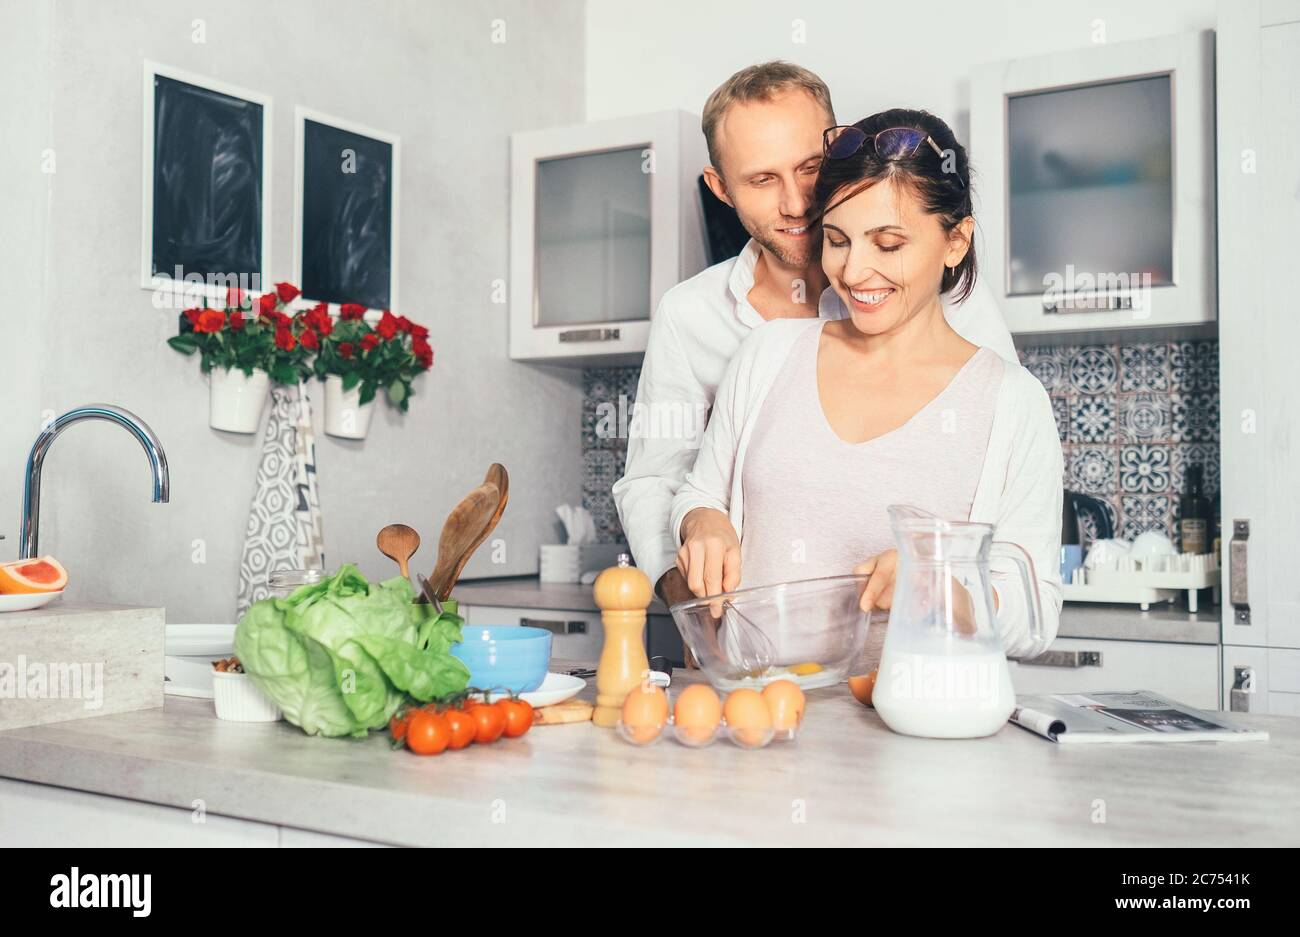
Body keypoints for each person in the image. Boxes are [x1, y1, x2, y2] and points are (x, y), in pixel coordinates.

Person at [611, 62, 1017, 610]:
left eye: (809, 168)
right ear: (721, 188)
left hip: (919, 643)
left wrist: (956, 594)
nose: (797, 202)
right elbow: (655, 479)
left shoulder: (942, 293)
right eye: (761, 180)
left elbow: (1003, 464)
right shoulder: (690, 316)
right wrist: (690, 598)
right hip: (758, 643)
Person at [669, 109, 1063, 664]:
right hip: (756, 728)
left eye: (888, 243)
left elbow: (1036, 611)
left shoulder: (1012, 402)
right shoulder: (769, 354)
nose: (854, 272)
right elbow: (700, 492)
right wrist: (701, 521)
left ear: (955, 241)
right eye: (837, 240)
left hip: (914, 736)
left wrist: (946, 589)